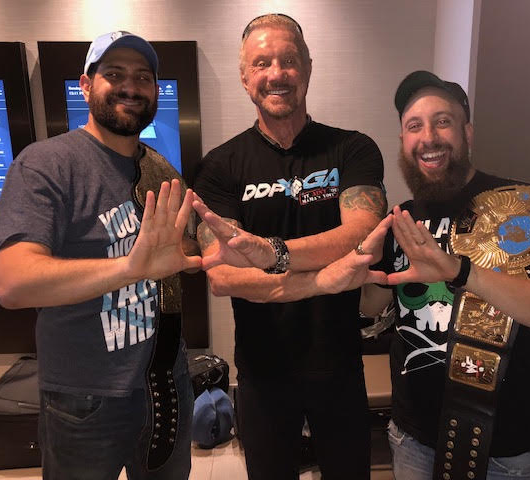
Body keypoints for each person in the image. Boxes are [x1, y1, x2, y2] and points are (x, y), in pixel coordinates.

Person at [198, 70, 530, 480]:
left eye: (443, 121)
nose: (429, 137)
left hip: (507, 445)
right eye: (414, 126)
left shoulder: (521, 208)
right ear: (403, 141)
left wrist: (460, 272)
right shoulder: (401, 220)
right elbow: (377, 302)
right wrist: (356, 279)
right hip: (414, 439)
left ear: (468, 132)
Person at [0, 31, 200, 480]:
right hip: (83, 398)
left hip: (167, 383)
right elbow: (12, 282)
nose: (131, 87)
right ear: (86, 86)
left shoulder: (160, 168)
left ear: (155, 92)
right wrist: (129, 268)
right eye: (115, 74)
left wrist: (226, 243)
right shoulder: (46, 164)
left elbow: (185, 247)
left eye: (143, 77)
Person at [193, 13, 387, 480]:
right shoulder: (219, 167)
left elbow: (362, 236)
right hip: (262, 371)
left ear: (308, 68)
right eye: (261, 63)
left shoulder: (353, 149)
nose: (276, 73)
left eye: (289, 60)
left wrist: (272, 255)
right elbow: (223, 275)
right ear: (245, 77)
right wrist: (324, 279)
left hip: (339, 364)